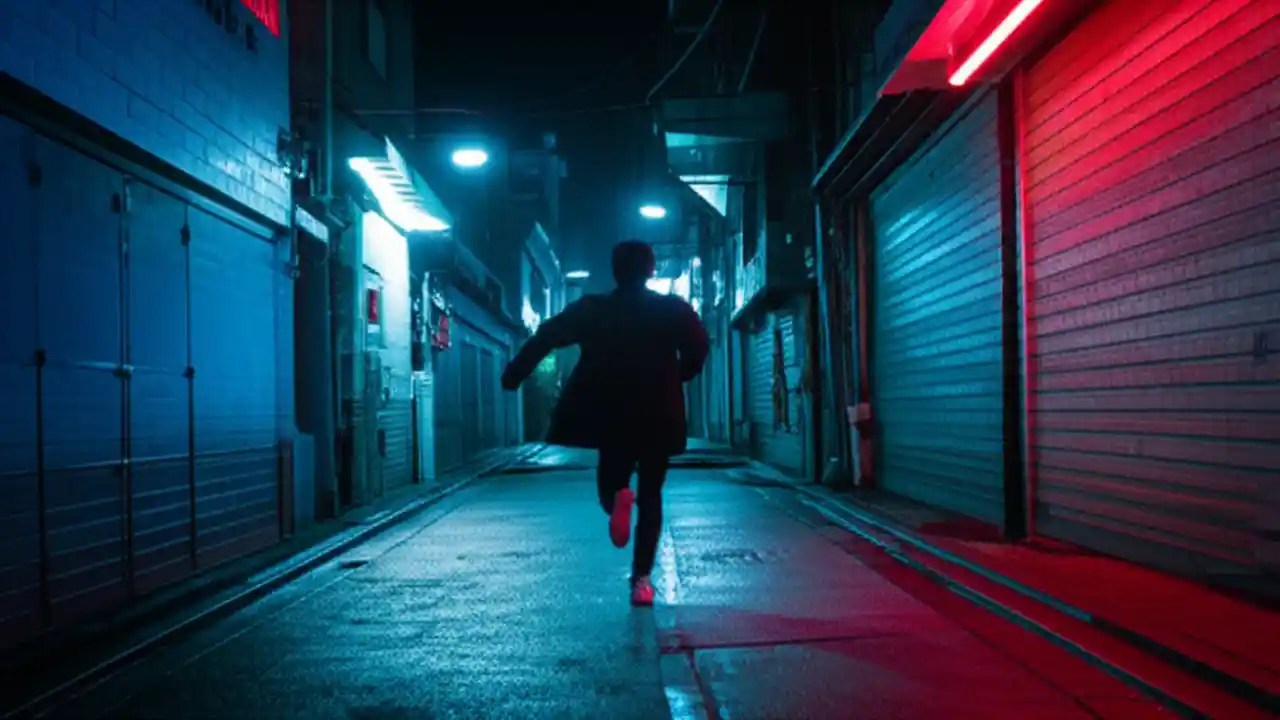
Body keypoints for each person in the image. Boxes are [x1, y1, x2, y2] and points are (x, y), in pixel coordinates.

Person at [501, 240, 709, 606]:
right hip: (658, 413)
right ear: (651, 270)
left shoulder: (594, 309)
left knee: (610, 485)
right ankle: (642, 581)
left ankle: (618, 500)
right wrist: (680, 374)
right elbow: (698, 345)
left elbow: (548, 334)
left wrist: (515, 373)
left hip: (612, 414)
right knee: (653, 494)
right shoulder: (672, 310)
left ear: (615, 271)